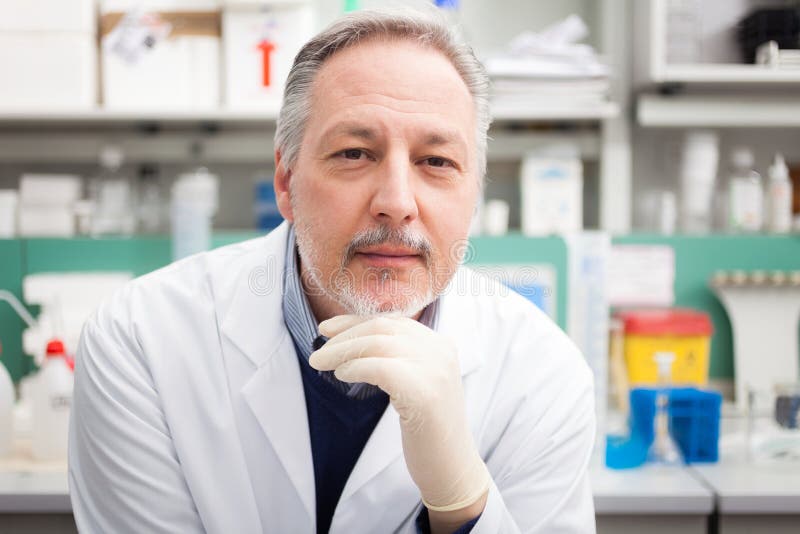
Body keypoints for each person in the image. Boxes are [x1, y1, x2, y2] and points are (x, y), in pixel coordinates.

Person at [68, 7, 595, 534]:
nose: (397, 203)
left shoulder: (543, 376)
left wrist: (462, 505)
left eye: (436, 161)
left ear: (474, 193)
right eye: (355, 153)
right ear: (286, 181)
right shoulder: (140, 341)